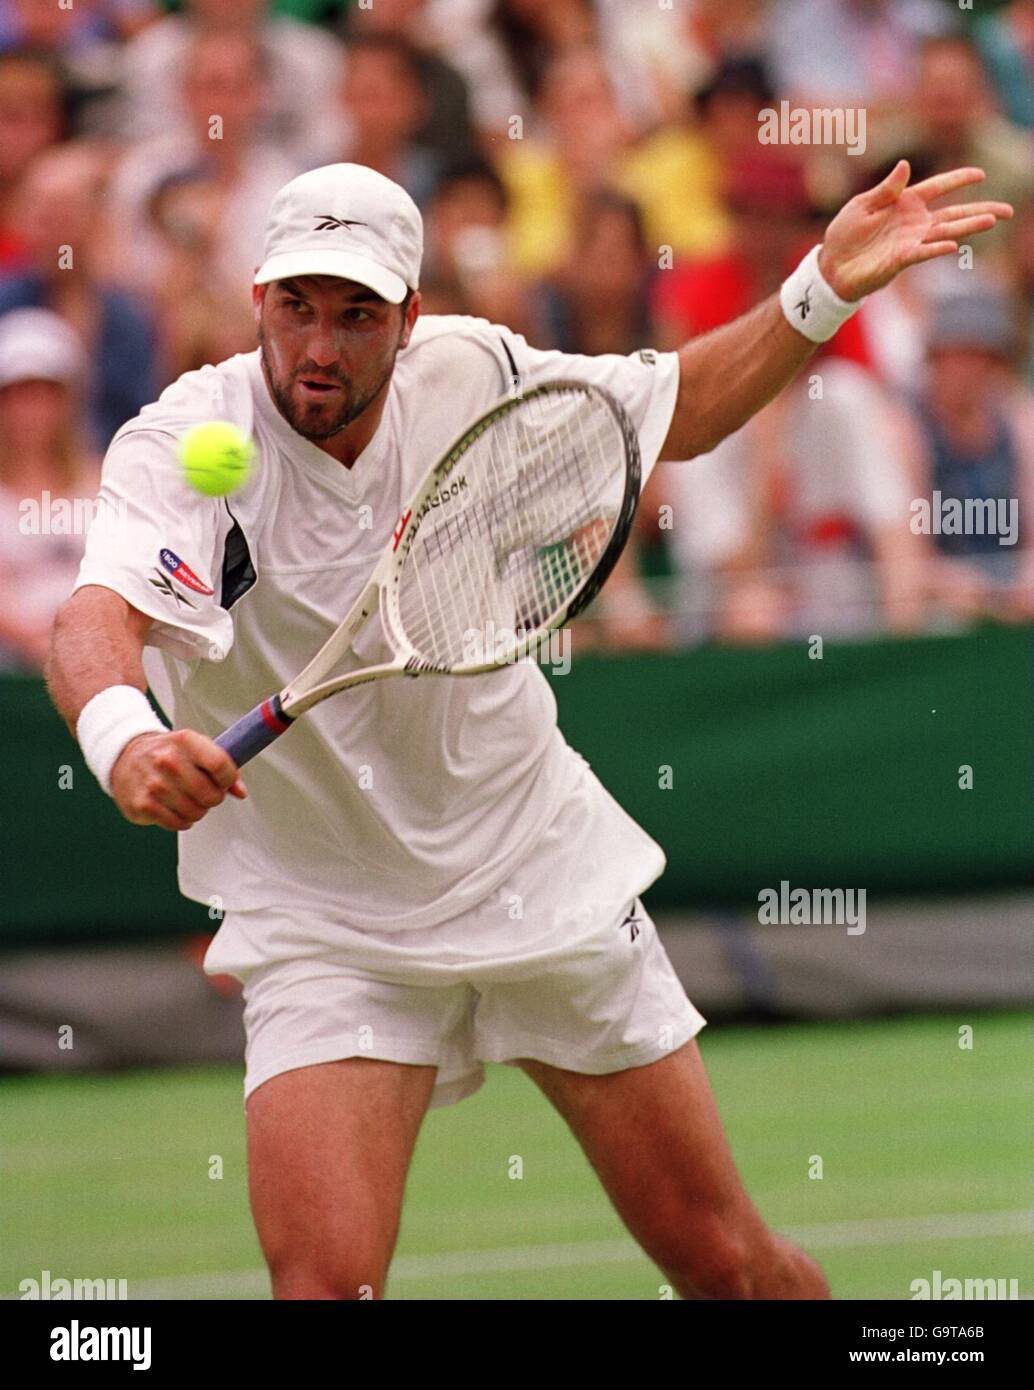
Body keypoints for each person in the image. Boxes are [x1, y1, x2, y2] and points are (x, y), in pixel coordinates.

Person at [46, 158, 1011, 1300]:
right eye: (296, 305)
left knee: (726, 1266)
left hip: (527, 864)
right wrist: (124, 738)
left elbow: (680, 411)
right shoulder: (184, 441)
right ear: (258, 298)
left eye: (356, 315)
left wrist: (819, 287)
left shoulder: (476, 371)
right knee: (321, 1289)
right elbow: (91, 617)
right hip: (323, 916)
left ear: (407, 320)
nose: (319, 345)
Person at [0, 307, 97, 670]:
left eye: (45, 394)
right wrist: (38, 642)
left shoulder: (102, 480)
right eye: (18, 394)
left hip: (92, 659)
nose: (31, 410)